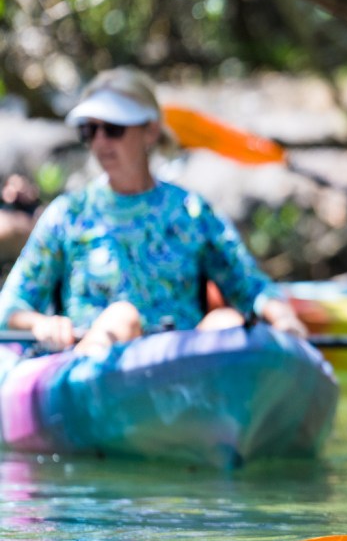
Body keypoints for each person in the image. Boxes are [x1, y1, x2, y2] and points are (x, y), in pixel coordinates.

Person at [0, 67, 307, 355]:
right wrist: (41, 323)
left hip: (184, 373)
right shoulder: (68, 214)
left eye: (113, 128)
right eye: (90, 130)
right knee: (122, 317)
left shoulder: (191, 212)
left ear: (150, 132)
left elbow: (248, 285)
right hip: (93, 377)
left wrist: (283, 318)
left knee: (226, 322)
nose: (100, 141)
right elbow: (10, 305)